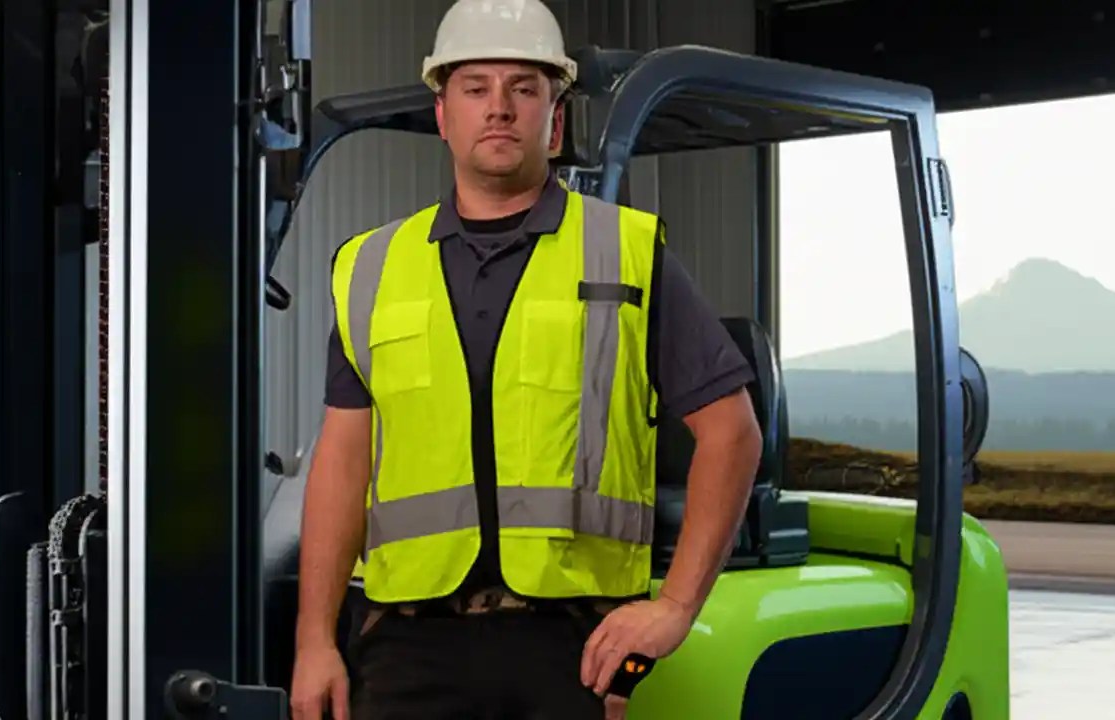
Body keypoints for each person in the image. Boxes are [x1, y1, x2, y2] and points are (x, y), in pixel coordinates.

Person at [289, 1, 763, 717]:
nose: (499, 108)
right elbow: (342, 461)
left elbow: (732, 432)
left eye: (524, 88)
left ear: (556, 117)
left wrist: (673, 606)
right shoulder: (371, 267)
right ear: (444, 115)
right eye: (475, 88)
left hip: (573, 642)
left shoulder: (626, 252)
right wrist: (314, 643)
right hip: (408, 642)